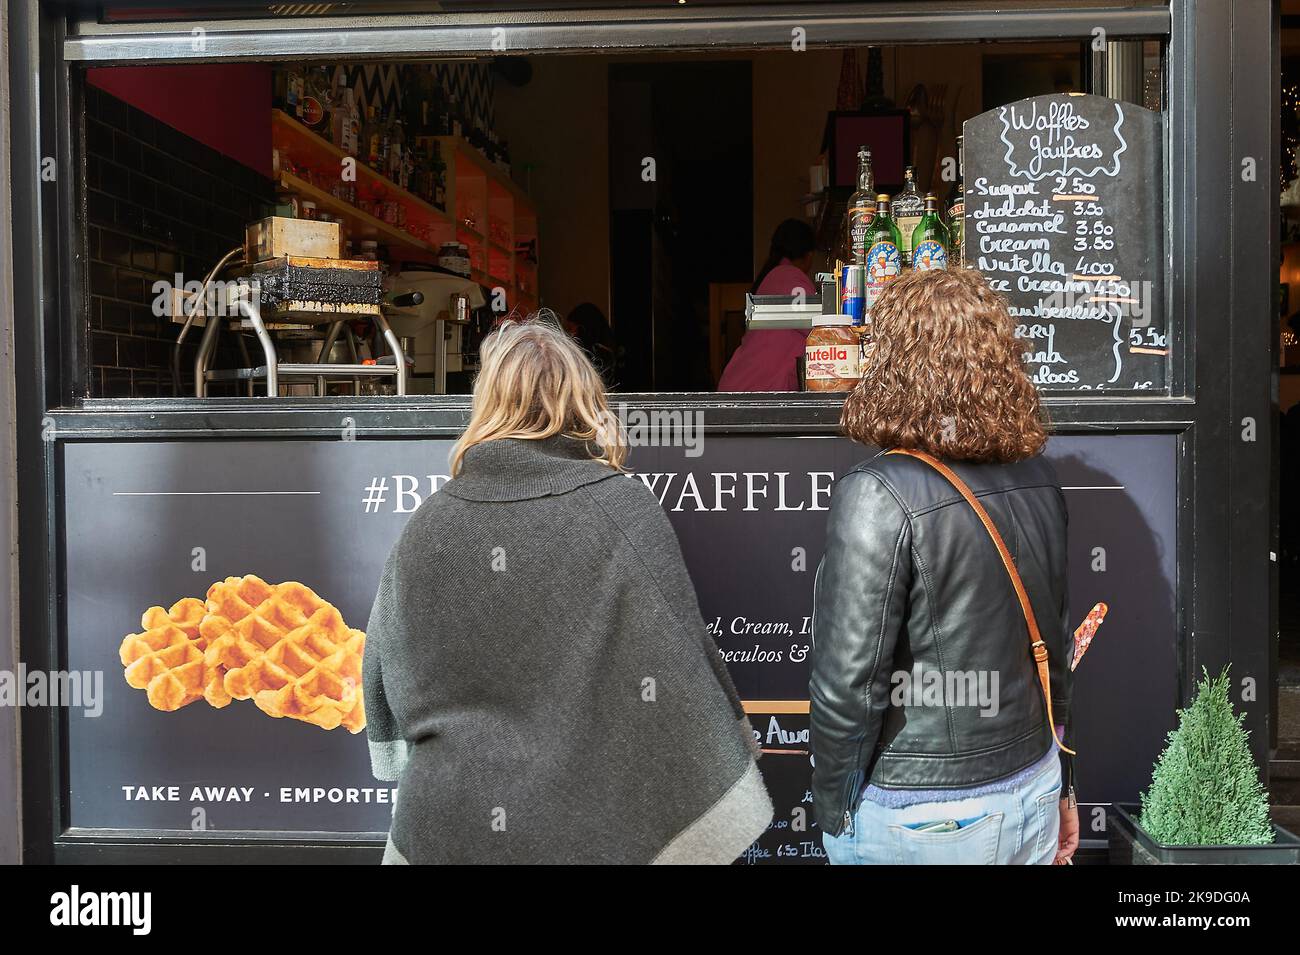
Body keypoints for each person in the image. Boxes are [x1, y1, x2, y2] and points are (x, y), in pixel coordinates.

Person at [363, 316, 772, 864]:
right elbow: (681, 658)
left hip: (446, 826)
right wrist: (730, 745)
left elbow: (381, 670)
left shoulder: (428, 524)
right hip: (592, 830)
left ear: (486, 401)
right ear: (585, 397)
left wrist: (396, 759)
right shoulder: (623, 509)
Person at [809, 267, 1078, 865]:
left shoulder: (878, 492)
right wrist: (1066, 783)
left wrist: (832, 813)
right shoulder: (1039, 477)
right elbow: (1055, 651)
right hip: (1034, 781)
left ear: (895, 364)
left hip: (926, 817)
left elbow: (848, 685)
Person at [717, 218, 818, 392]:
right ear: (808, 255)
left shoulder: (773, 278)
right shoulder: (789, 277)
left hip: (744, 388)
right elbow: (818, 327)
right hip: (754, 393)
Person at [563, 302, 616, 384]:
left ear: (582, 328)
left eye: (570, 328)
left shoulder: (597, 352)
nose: (569, 334)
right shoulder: (607, 349)